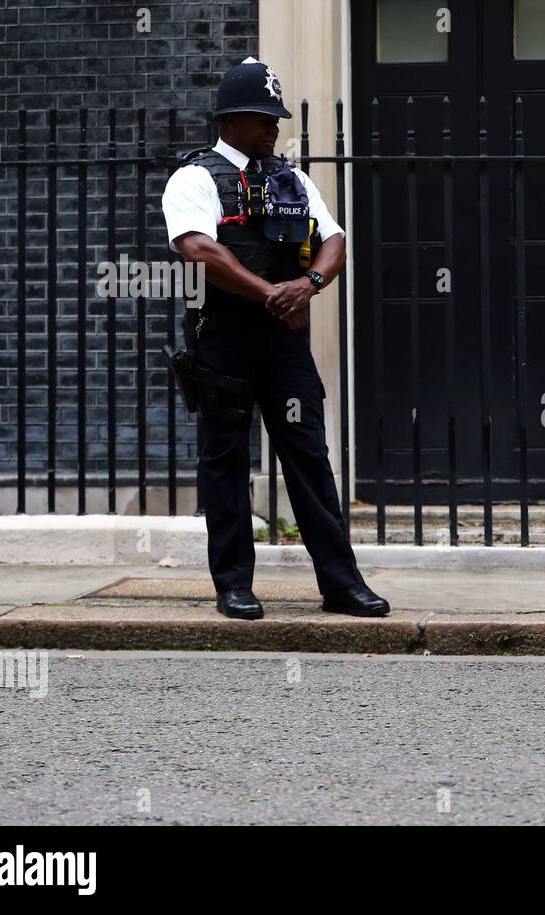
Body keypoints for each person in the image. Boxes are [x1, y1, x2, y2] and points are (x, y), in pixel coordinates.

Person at [161, 57, 389, 621]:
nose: (275, 128)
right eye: (266, 119)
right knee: (226, 461)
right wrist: (270, 292)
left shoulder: (291, 177)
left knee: (309, 458)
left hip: (285, 342)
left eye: (276, 119)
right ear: (233, 120)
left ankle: (342, 584)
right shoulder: (194, 178)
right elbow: (199, 250)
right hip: (224, 341)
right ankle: (234, 586)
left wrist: (309, 283)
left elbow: (333, 239)